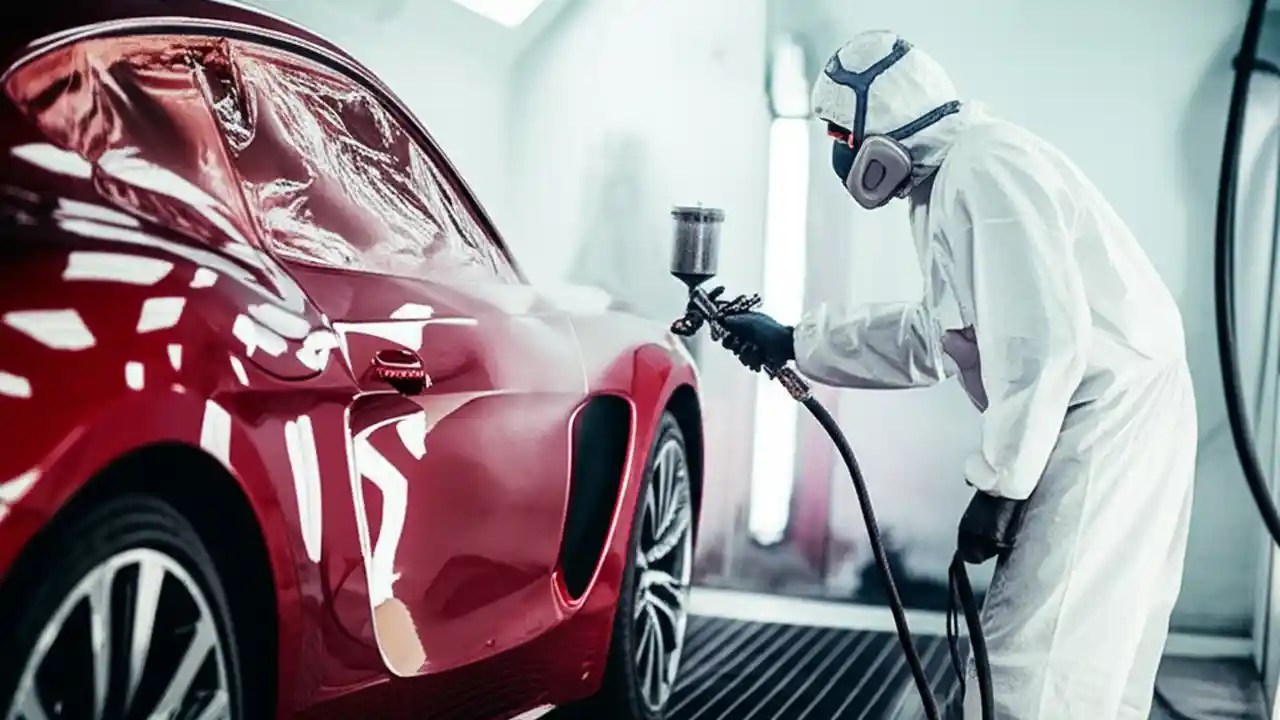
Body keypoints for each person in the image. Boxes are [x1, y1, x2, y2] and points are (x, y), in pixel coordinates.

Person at [718, 30, 1198, 719]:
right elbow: (943, 337)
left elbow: (1044, 341)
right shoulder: (950, 180)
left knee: (1035, 666)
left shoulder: (985, 169)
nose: (836, 152)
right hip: (1110, 414)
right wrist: (796, 340)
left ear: (875, 131)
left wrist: (1000, 487)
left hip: (1104, 420)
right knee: (1089, 656)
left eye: (836, 131)